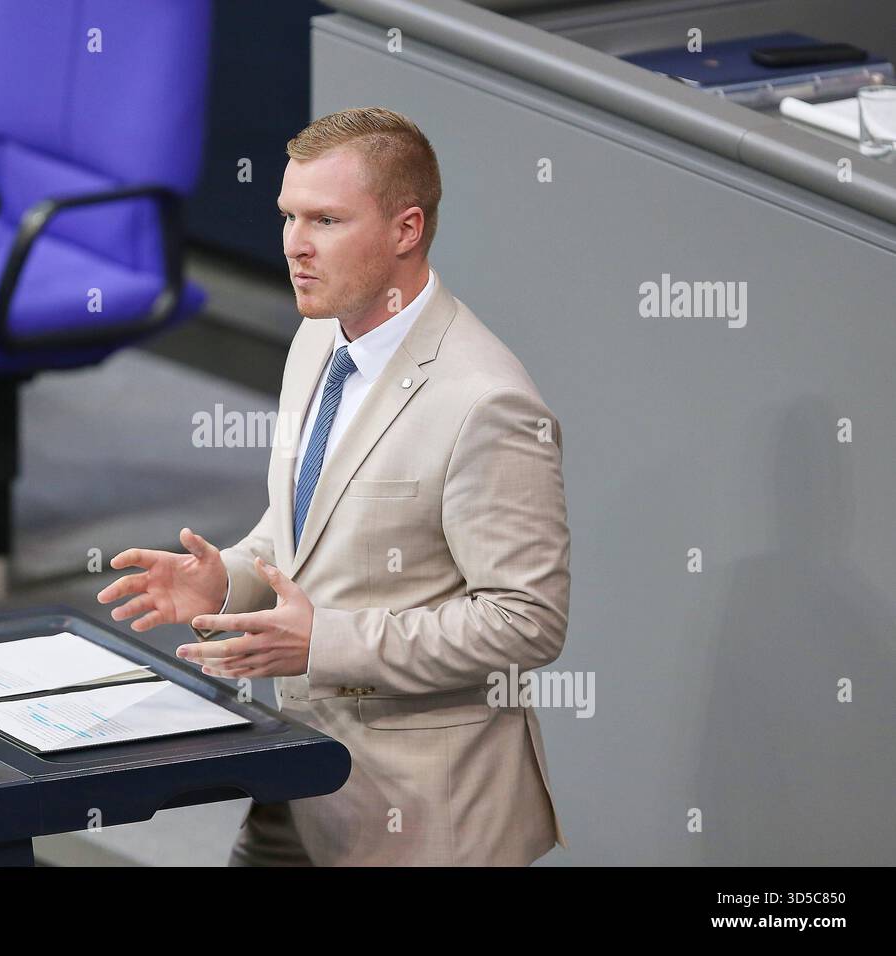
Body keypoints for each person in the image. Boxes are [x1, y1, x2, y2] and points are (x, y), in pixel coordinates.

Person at [97, 107, 570, 865]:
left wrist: (325, 642)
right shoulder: (319, 335)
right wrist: (229, 579)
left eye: (325, 219)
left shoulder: (486, 403)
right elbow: (303, 534)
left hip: (426, 817)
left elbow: (526, 621)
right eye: (288, 216)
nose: (294, 246)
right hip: (300, 776)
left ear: (406, 230)